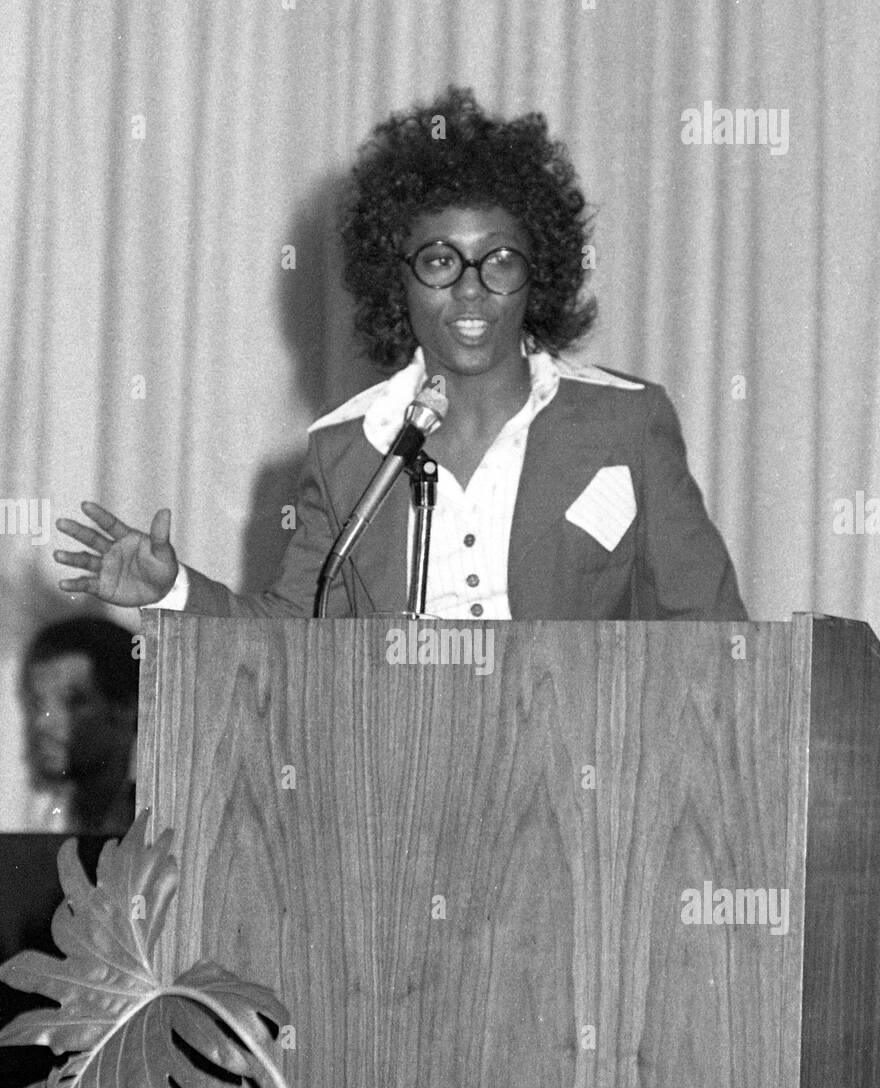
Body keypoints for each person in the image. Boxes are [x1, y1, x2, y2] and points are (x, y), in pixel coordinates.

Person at [53, 87, 747, 621]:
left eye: (500, 261)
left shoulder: (626, 424)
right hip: (402, 789)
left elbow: (713, 632)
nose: (472, 292)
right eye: (441, 262)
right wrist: (171, 590)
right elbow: (292, 637)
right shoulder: (349, 449)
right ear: (399, 279)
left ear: (541, 274)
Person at [19, 615, 138, 834]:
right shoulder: (33, 820)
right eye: (37, 702)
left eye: (71, 702)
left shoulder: (158, 822)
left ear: (125, 708)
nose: (41, 722)